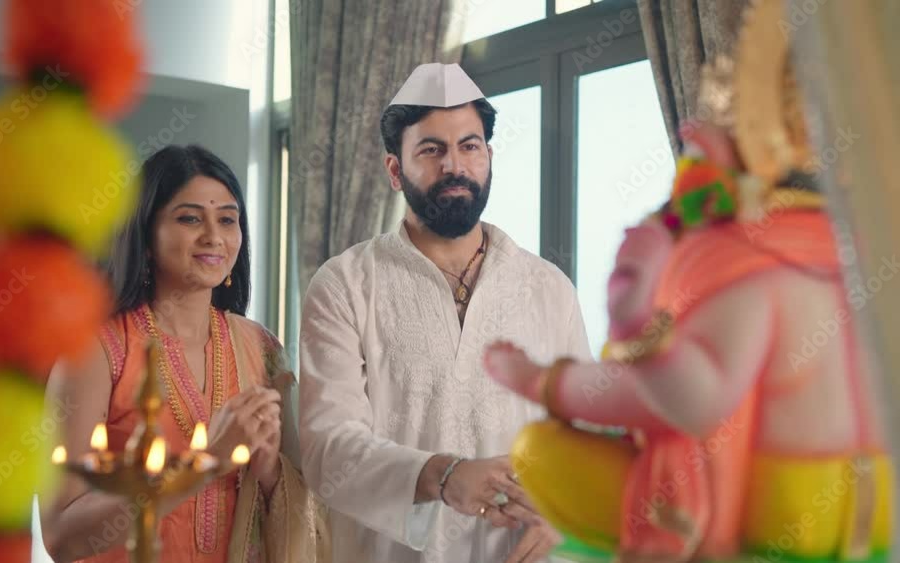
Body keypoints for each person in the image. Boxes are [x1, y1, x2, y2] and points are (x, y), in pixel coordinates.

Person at [484, 117, 893, 562]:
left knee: (538, 451)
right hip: (878, 528)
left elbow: (692, 400)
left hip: (783, 528)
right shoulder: (867, 261)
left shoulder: (750, 271)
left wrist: (546, 379)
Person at [298, 63, 592, 563]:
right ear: (395, 170)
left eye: (469, 146)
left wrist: (566, 515)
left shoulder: (548, 288)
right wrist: (444, 475)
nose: (454, 165)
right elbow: (328, 450)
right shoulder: (344, 284)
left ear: (489, 156)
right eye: (431, 149)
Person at [42, 145, 326, 563]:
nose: (213, 235)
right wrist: (204, 462)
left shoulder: (263, 350)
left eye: (227, 219)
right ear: (146, 235)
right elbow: (61, 537)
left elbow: (309, 507)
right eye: (190, 217)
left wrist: (268, 473)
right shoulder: (95, 351)